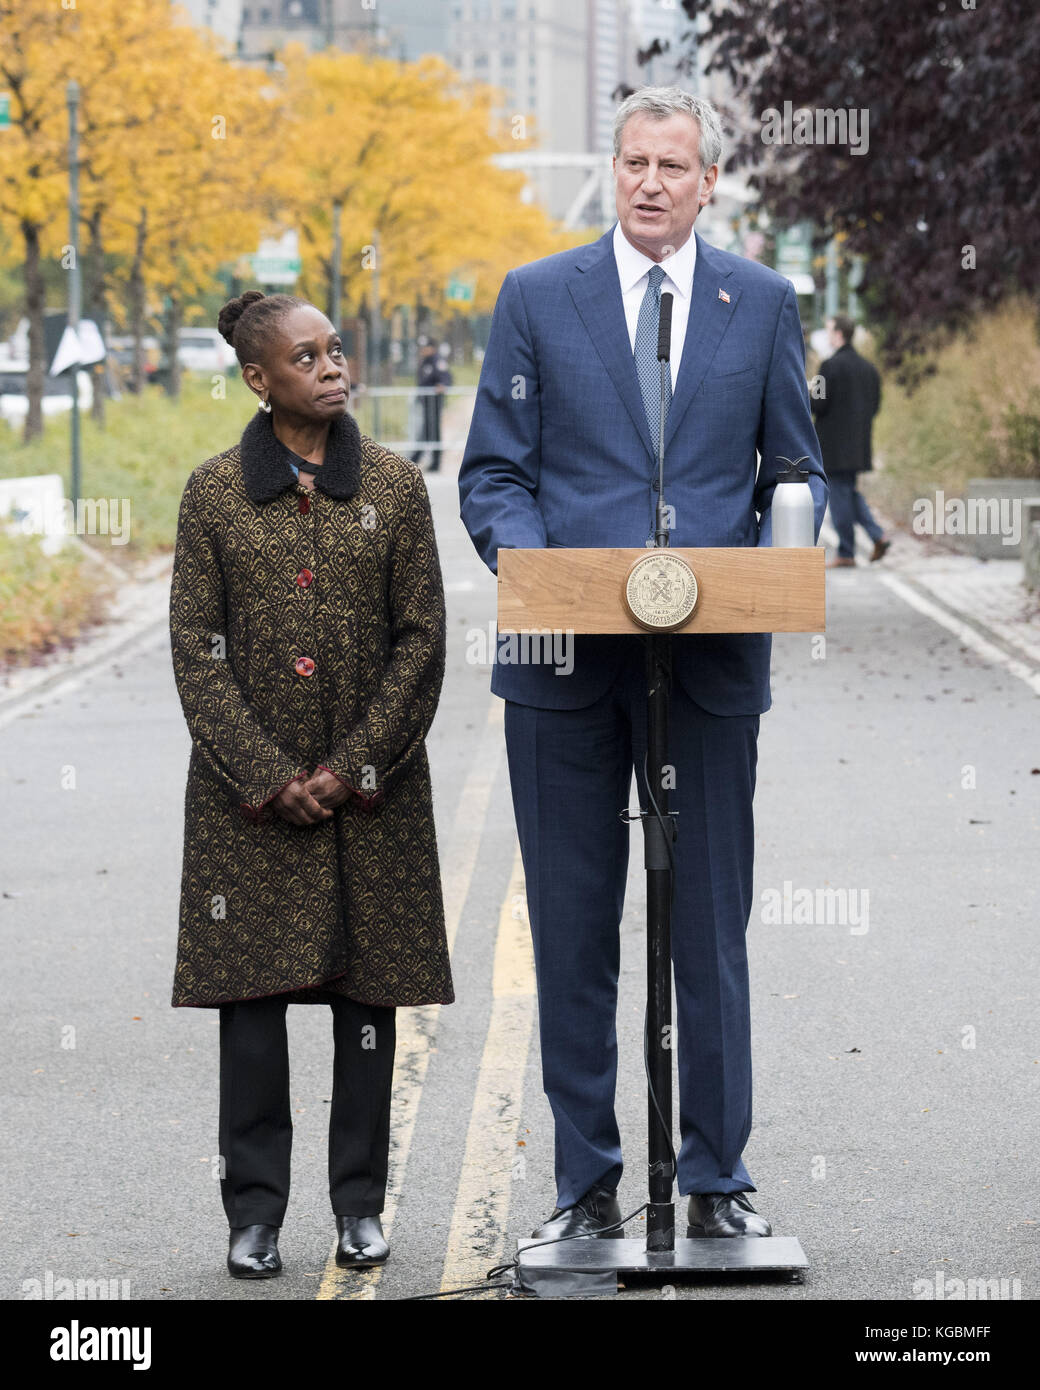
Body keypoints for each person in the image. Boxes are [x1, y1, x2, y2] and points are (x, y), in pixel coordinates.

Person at [459, 86, 828, 1243]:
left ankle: (717, 1180)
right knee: (570, 930)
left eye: (674, 164)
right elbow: (492, 474)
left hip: (710, 665)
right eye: (633, 162)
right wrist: (539, 568)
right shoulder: (534, 298)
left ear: (708, 181)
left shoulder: (760, 301)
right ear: (612, 174)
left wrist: (786, 552)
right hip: (562, 662)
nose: (651, 182)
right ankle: (584, 1189)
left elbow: (793, 467)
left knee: (708, 929)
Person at [169, 290, 453, 1280]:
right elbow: (197, 653)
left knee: (363, 1003)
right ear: (258, 379)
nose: (333, 368)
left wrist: (351, 767)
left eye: (335, 350)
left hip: (369, 797)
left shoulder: (394, 486)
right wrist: (269, 775)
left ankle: (358, 1206)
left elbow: (419, 642)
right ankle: (253, 1214)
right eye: (307, 356)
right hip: (243, 803)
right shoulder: (212, 495)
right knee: (251, 1010)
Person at [814, 314, 890, 567]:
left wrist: (808, 392)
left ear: (838, 334)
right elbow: (876, 406)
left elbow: (818, 403)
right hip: (859, 445)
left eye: (828, 331)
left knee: (839, 498)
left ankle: (846, 553)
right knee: (848, 492)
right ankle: (877, 536)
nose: (826, 336)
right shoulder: (870, 370)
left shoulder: (828, 366)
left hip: (833, 446)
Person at [410, 338, 453, 471]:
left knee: (432, 432)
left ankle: (421, 460)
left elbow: (446, 378)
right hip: (425, 402)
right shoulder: (424, 361)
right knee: (428, 431)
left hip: (434, 403)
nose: (423, 350)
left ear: (432, 348)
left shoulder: (437, 361)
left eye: (425, 347)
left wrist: (442, 385)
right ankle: (420, 460)